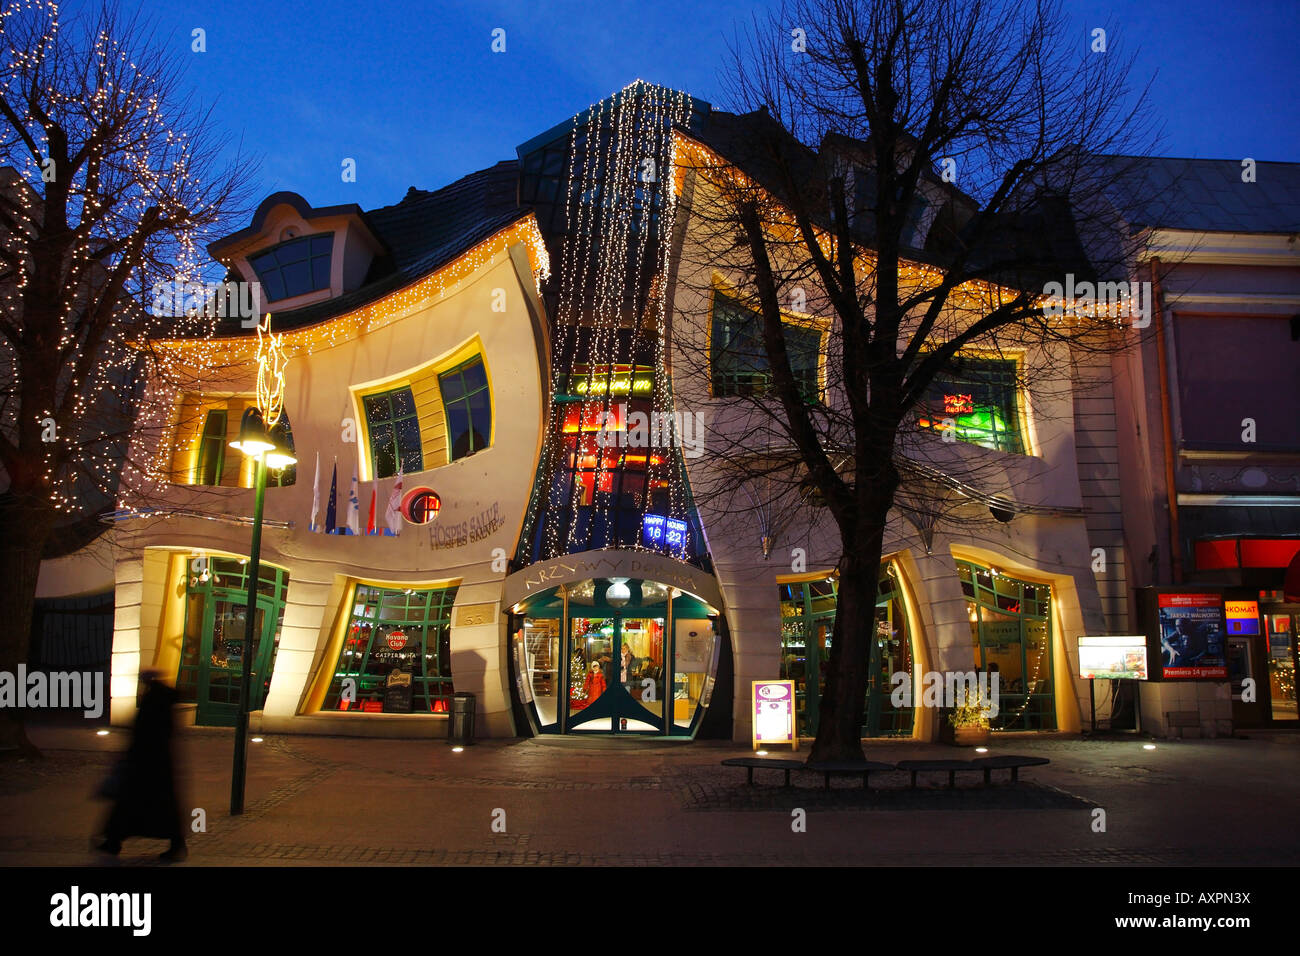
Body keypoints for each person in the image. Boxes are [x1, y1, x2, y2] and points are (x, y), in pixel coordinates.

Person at [96, 669, 188, 862]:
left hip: (148, 764)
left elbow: (144, 733)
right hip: (155, 763)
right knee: (150, 806)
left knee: (135, 805)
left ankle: (114, 841)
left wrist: (131, 754)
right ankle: (114, 840)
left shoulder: (153, 701)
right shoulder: (161, 700)